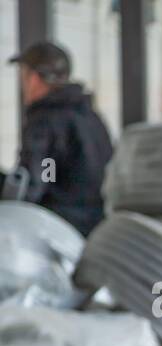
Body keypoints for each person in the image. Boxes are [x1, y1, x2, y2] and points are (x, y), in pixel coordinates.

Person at [6, 41, 113, 236]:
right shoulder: (90, 115)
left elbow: (34, 185)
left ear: (36, 79)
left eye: (24, 77)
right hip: (98, 227)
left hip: (60, 229)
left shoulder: (45, 121)